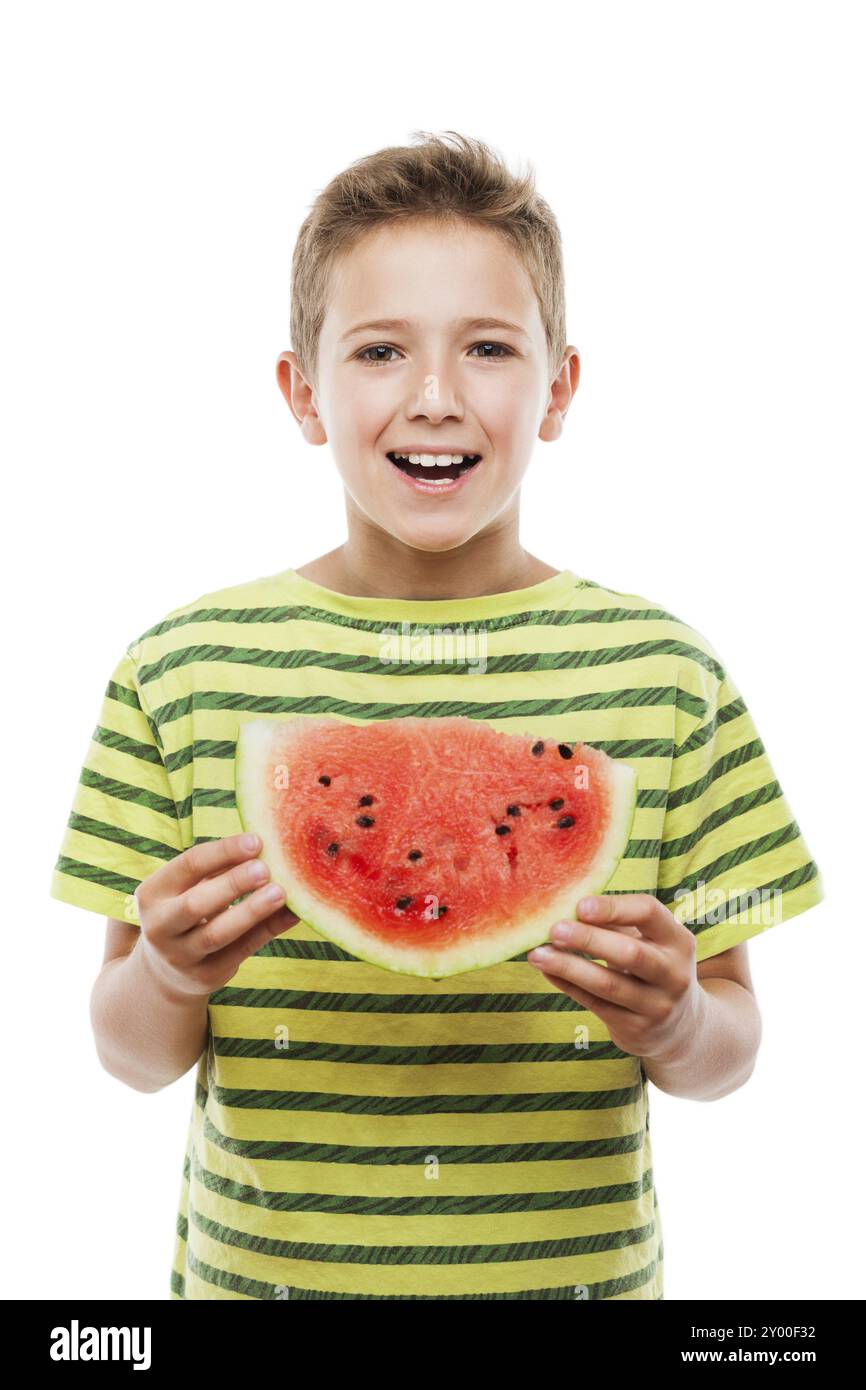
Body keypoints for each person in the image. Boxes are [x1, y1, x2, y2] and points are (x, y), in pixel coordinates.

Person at [49, 130, 824, 1301]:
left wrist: (673, 1025)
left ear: (557, 389)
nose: (434, 396)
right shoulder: (183, 667)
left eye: (488, 349)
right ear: (302, 393)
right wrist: (165, 972)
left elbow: (730, 1048)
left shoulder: (666, 674)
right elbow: (125, 1055)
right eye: (377, 349)